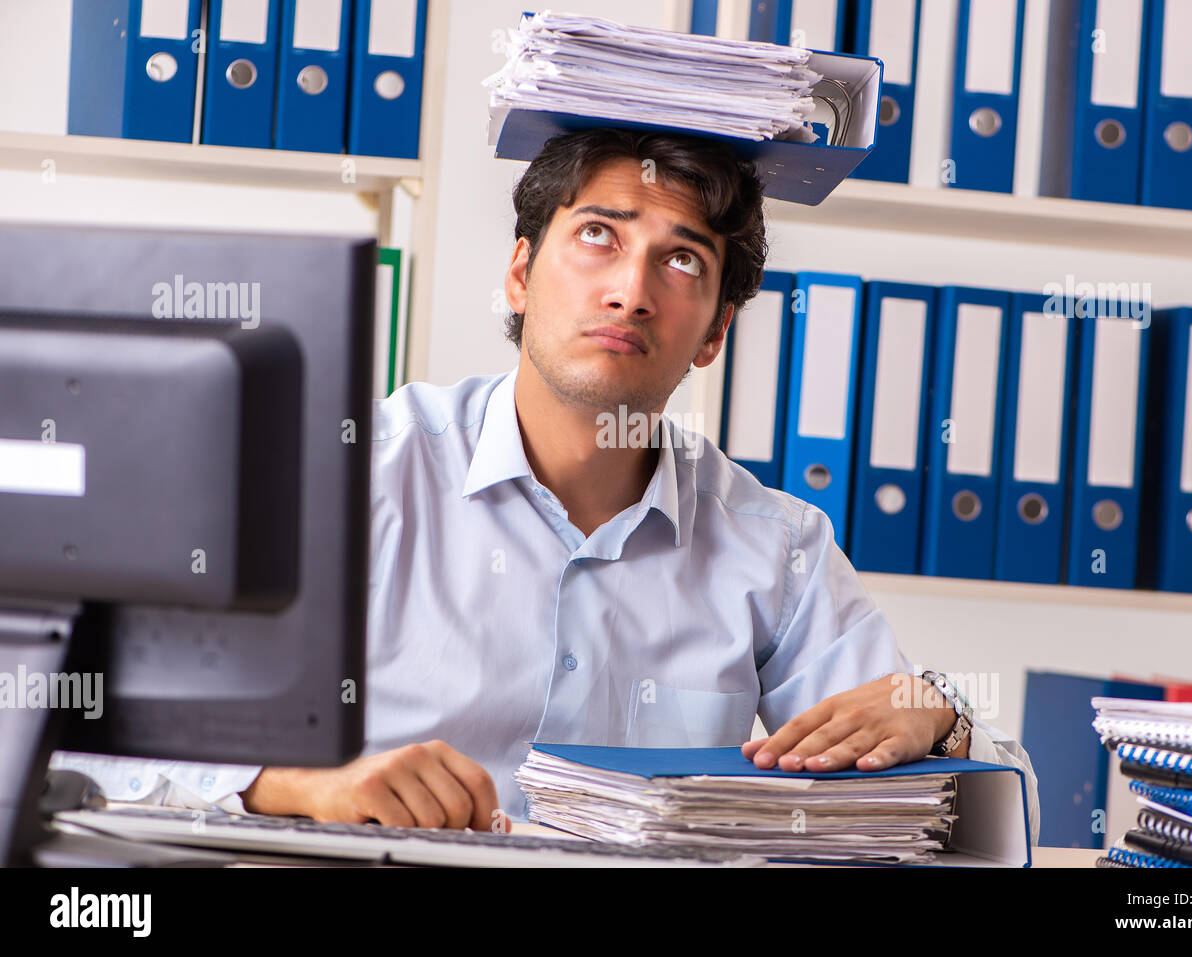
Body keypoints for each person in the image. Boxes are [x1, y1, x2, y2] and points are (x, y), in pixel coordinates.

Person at [53, 128, 1040, 843]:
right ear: (520, 275)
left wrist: (940, 711)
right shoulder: (354, 475)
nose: (631, 288)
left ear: (714, 336)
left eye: (682, 261)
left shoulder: (771, 545)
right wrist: (298, 784)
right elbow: (74, 736)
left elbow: (990, 812)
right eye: (599, 236)